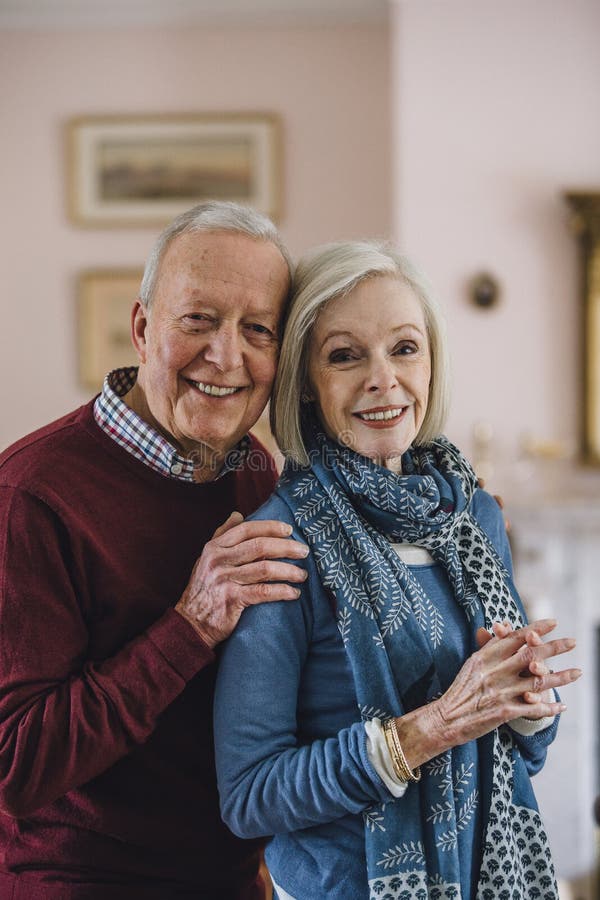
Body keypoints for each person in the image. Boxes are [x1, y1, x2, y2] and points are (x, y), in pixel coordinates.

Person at [214, 240, 581, 900]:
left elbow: (522, 751)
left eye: (404, 348)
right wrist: (430, 730)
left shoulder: (472, 514)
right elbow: (251, 796)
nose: (382, 378)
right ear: (306, 383)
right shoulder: (283, 538)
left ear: (431, 363)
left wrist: (526, 703)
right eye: (345, 355)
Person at [0, 201, 310, 899]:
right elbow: (16, 766)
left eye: (257, 329)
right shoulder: (30, 493)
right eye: (198, 319)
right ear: (143, 329)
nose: (226, 356)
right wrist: (191, 625)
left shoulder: (254, 471)